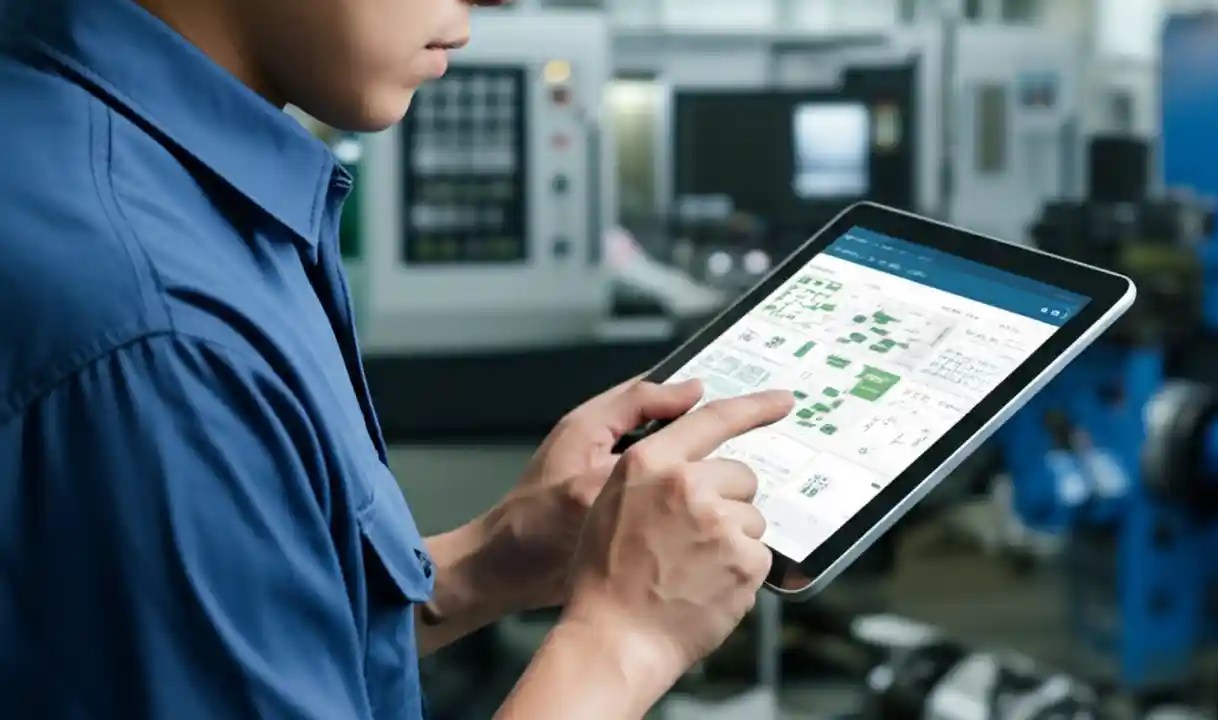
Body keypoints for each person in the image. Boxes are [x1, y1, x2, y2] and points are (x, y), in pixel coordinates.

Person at [0, 0, 795, 718]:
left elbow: (232, 639)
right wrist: (622, 641)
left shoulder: (114, 155)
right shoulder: (162, 333)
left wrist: (491, 563)